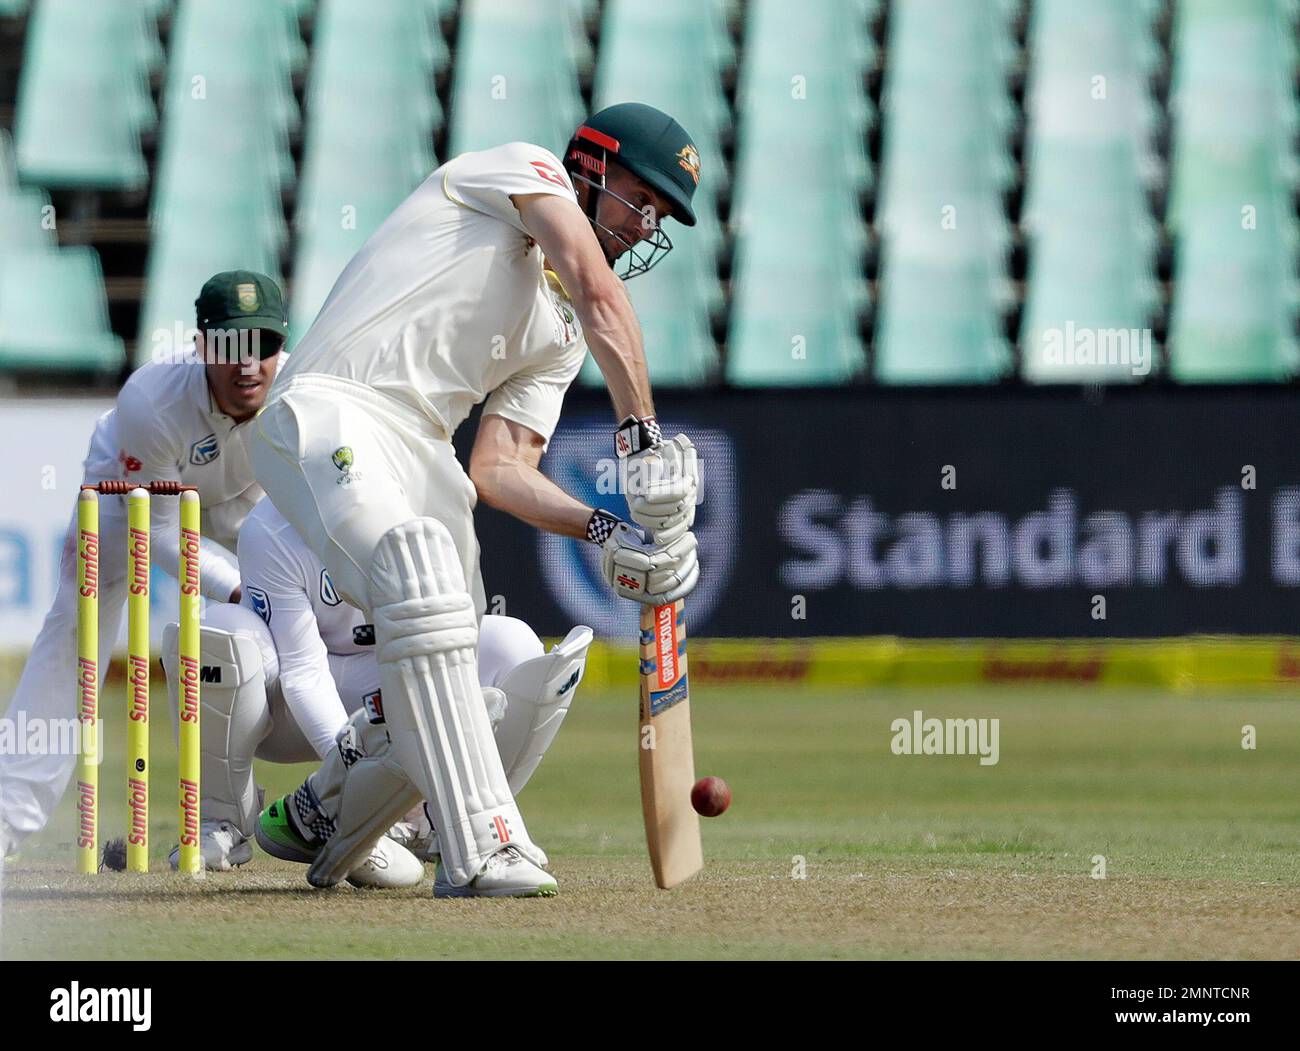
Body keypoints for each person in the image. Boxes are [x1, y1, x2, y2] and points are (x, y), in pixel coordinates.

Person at [250, 102, 702, 898]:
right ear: (591, 165)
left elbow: (498, 469)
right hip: (332, 406)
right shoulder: (520, 171)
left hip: (423, 450)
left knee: (481, 651)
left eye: (658, 216)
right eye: (641, 198)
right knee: (417, 580)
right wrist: (642, 437)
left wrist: (607, 529)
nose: (643, 225)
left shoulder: (558, 332)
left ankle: (322, 810)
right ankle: (483, 846)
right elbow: (599, 288)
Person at [0, 271, 288, 858]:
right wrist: (240, 592)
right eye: (230, 347)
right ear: (202, 345)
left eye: (263, 345)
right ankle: (7, 819)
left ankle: (251, 813)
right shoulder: (152, 399)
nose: (248, 364)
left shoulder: (302, 389)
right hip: (124, 494)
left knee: (313, 610)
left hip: (244, 494)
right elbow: (156, 534)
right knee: (77, 627)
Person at [161, 497, 591, 889]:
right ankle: (221, 821)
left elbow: (438, 644)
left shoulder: (422, 496)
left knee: (512, 644)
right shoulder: (272, 525)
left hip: (391, 681)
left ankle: (454, 828)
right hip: (283, 708)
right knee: (218, 633)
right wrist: (351, 780)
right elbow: (304, 672)